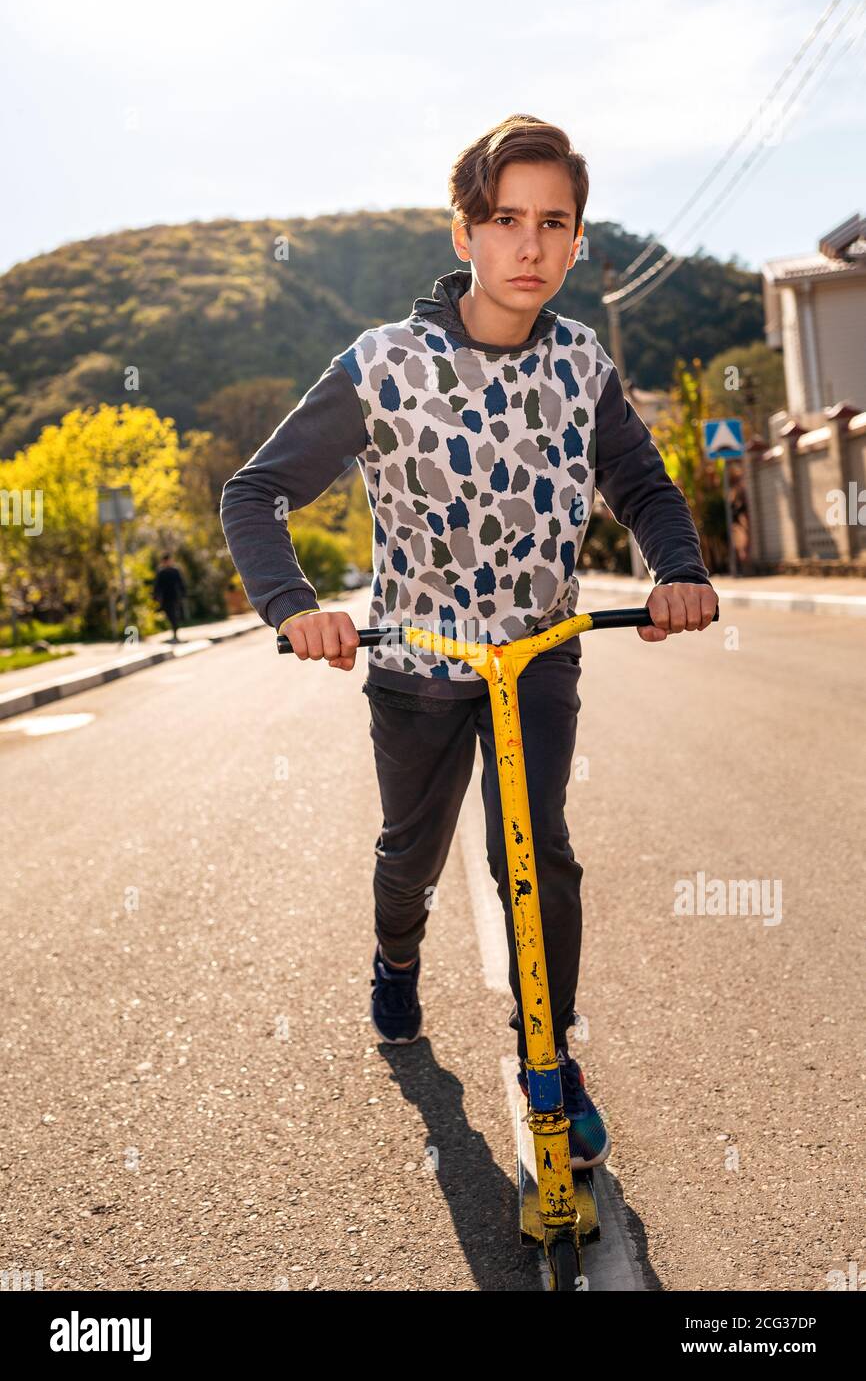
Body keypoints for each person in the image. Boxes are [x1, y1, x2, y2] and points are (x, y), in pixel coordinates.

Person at [219, 114, 719, 1171]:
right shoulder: (382, 364)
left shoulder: (582, 362)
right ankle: (394, 959)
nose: (529, 247)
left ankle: (550, 1056)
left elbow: (638, 483)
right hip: (414, 666)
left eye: (554, 224)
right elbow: (255, 493)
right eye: (504, 220)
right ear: (463, 235)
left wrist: (678, 570)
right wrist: (293, 605)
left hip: (537, 655)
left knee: (535, 855)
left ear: (578, 241)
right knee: (410, 855)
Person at [152, 552, 186, 643]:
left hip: (175, 597)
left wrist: (183, 593)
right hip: (165, 598)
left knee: (175, 615)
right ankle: (174, 632)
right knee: (170, 615)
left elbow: (180, 582)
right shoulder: (161, 572)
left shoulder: (175, 571)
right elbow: (157, 586)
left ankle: (175, 633)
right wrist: (155, 596)